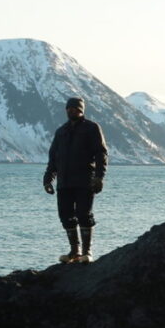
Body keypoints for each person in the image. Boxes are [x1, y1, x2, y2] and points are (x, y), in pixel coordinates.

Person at [43, 95, 107, 263]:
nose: (72, 110)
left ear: (81, 110)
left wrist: (99, 177)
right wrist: (48, 179)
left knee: (84, 214)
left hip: (85, 180)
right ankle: (74, 251)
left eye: (76, 108)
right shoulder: (61, 132)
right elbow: (53, 158)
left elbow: (101, 154)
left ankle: (87, 252)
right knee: (65, 215)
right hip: (64, 182)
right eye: (69, 108)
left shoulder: (92, 128)